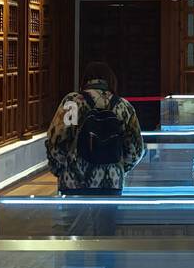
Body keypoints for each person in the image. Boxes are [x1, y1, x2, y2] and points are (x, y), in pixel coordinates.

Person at [45, 61, 145, 197]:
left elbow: (56, 140)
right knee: (108, 218)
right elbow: (136, 150)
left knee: (74, 218)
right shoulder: (123, 106)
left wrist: (63, 168)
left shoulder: (72, 102)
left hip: (74, 182)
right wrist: (119, 168)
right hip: (112, 182)